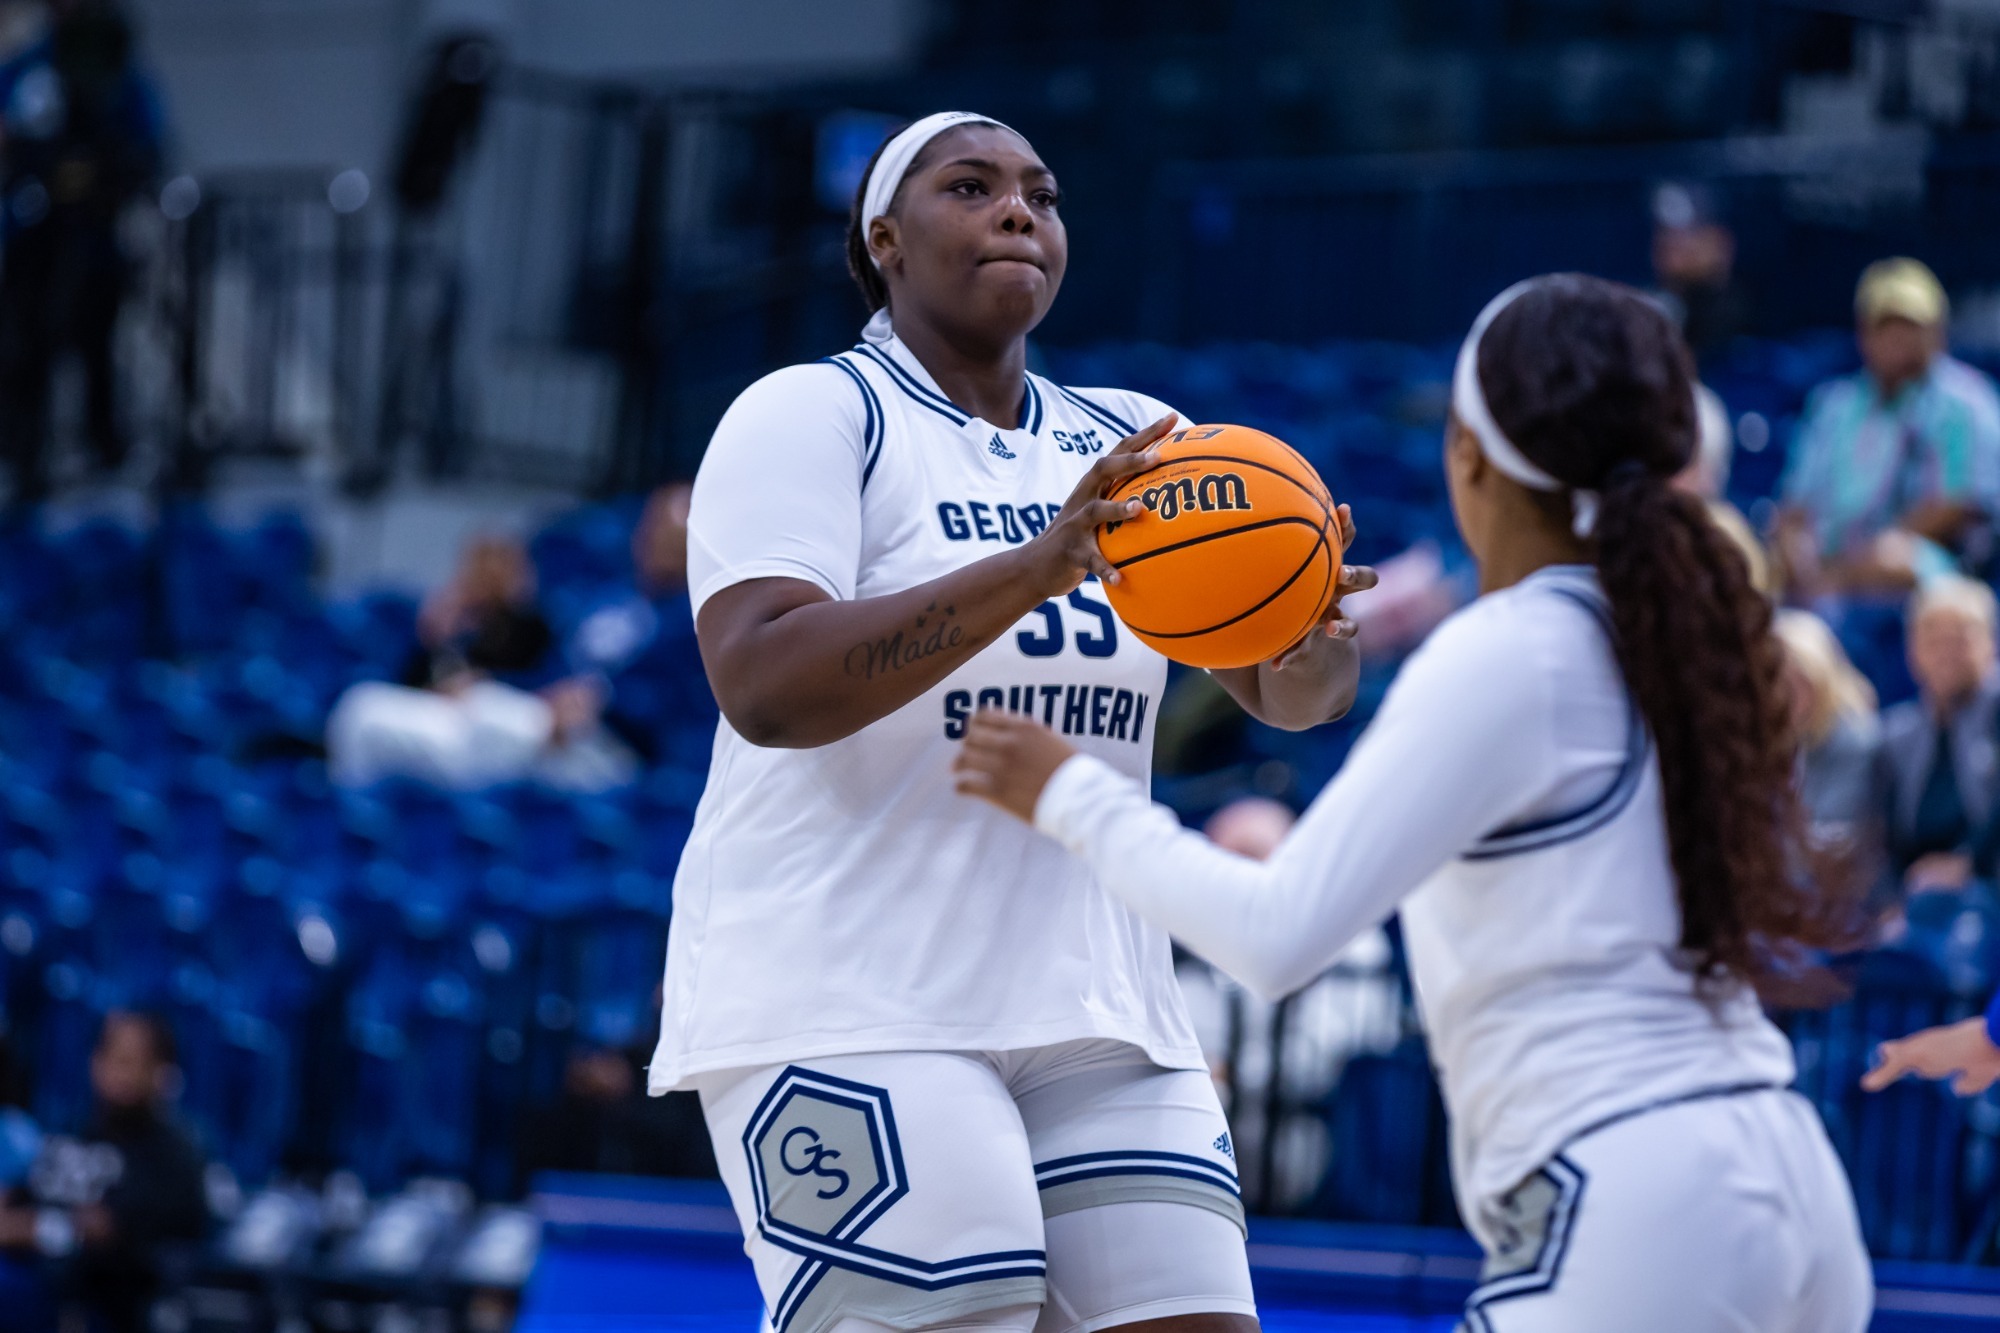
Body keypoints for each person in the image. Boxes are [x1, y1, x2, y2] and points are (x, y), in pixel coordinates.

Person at [955, 274, 1872, 1332]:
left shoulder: (1512, 647)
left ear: (1468, 457)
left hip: (1635, 1189)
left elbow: (1274, 931)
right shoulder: (1677, 635)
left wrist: (1066, 791)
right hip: (1785, 1171)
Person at [649, 111, 1374, 1333]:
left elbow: (1292, 701)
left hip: (1096, 1008)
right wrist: (1039, 566)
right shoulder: (810, 414)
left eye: (1040, 193)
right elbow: (764, 685)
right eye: (971, 187)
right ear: (883, 236)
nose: (1017, 212)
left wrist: (1305, 634)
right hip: (848, 997)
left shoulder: (1138, 446)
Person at [0, 0, 165, 502]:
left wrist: (104, 175)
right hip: (31, 243)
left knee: (95, 350)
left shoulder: (117, 68)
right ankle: (22, 457)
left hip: (95, 245)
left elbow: (148, 146)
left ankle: (104, 455)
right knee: (24, 352)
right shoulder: (30, 69)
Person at [326, 534, 629, 790]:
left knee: (492, 713)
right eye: (482, 566)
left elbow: (543, 683)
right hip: (451, 723)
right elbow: (409, 682)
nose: (490, 576)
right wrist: (433, 640)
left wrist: (481, 683)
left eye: (501, 565)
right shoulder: (455, 622)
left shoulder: (532, 624)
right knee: (361, 706)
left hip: (503, 719)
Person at [1776, 258, 2000, 597]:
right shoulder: (1833, 404)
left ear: (1937, 331)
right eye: (1886, 326)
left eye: (1910, 326)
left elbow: (1961, 504)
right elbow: (1795, 503)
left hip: (1929, 560)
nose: (1898, 338)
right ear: (1864, 334)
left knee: (1892, 558)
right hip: (1826, 562)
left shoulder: (1966, 402)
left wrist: (1853, 563)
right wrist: (1793, 548)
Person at [0, 1012, 208, 1333]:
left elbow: (105, 1227)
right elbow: (18, 1200)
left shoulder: (174, 1152)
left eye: (136, 1060)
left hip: (108, 1303)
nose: (121, 1070)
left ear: (162, 1072)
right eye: (113, 1056)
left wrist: (34, 1229)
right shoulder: (75, 1133)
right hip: (36, 1282)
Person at [1876, 576, 2000, 897]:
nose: (1946, 653)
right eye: (1933, 640)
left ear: (1990, 645)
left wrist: (1969, 862)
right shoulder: (1898, 732)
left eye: (1960, 640)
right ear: (1912, 652)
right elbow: (1884, 837)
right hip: (1920, 895)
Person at [1774, 609, 1882, 852]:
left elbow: (1834, 838)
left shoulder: (1856, 741)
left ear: (1822, 679)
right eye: (1775, 682)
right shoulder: (1778, 743)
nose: (1784, 696)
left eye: (1797, 682)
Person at [1649, 182, 1749, 363]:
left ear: (1721, 240)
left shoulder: (1748, 318)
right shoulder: (1648, 314)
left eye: (1692, 231)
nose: (1677, 243)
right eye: (1666, 232)